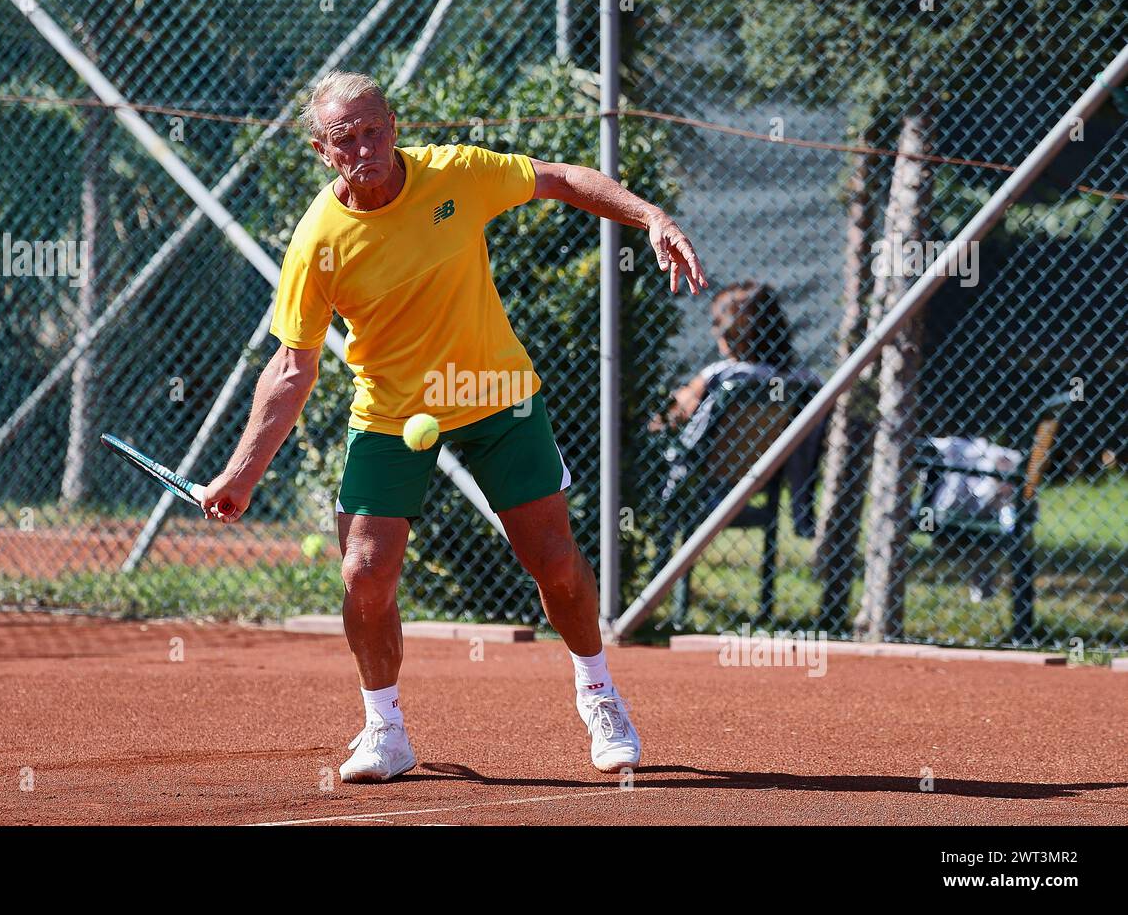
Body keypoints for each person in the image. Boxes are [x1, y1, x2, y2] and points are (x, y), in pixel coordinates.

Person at [199, 71, 706, 782]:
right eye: (347, 139)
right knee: (364, 576)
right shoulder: (318, 241)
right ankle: (386, 731)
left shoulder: (456, 174)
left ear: (395, 126)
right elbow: (292, 369)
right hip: (392, 407)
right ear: (322, 151)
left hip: (494, 391)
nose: (366, 147)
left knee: (554, 561)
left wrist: (648, 215)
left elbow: (559, 178)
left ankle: (598, 693)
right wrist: (242, 473)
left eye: (376, 129)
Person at [650, 282, 823, 620]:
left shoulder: (719, 376)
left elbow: (669, 418)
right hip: (756, 487)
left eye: (719, 324)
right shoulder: (801, 381)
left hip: (697, 489)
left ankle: (649, 597)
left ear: (732, 333)